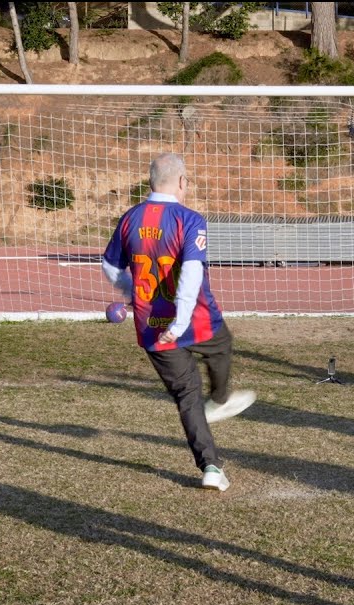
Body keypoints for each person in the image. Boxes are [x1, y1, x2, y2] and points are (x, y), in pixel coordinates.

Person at [102, 152, 256, 491]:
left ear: (150, 182)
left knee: (187, 395)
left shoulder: (129, 219)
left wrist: (131, 291)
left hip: (150, 324)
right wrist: (181, 319)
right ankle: (219, 399)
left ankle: (211, 467)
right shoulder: (190, 219)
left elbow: (110, 266)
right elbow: (190, 273)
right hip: (195, 319)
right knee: (222, 349)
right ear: (182, 182)